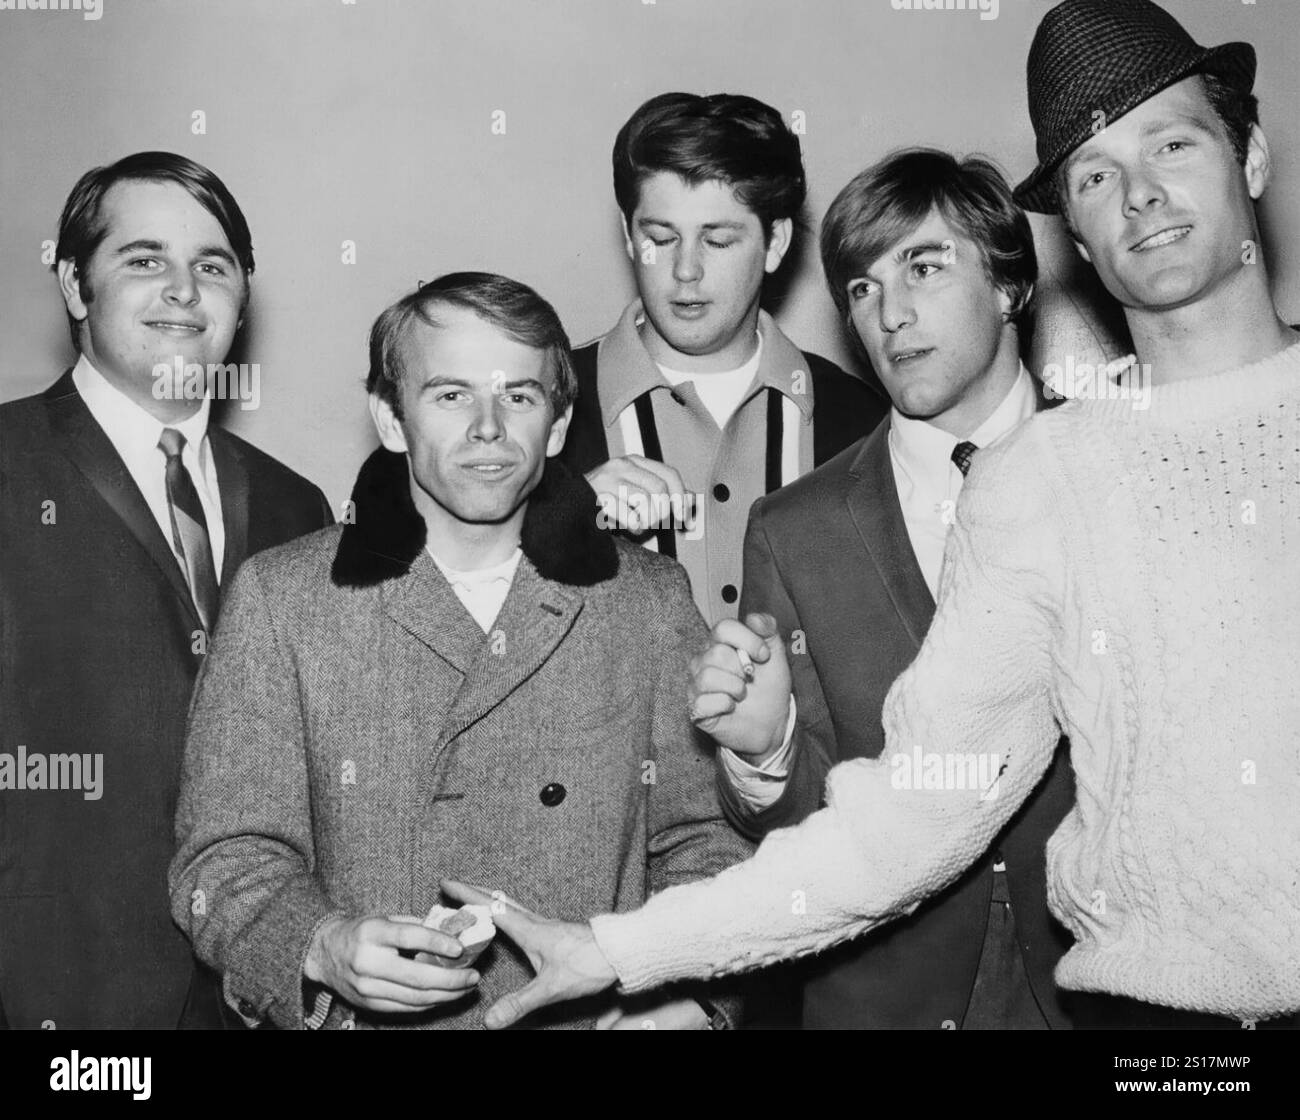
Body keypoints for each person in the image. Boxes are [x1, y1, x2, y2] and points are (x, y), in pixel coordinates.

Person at [443, 0, 1300, 1032]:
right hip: (1159, 1033)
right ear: (1069, 224)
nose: (1141, 195)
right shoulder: (1047, 481)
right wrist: (618, 947)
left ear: (1248, 155)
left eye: (1170, 141)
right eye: (1094, 175)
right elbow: (910, 811)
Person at [169, 272, 752, 1030]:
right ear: (389, 416)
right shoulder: (285, 600)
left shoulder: (644, 600)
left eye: (519, 395)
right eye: (450, 394)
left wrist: (692, 999)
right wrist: (320, 945)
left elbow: (709, 840)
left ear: (557, 421)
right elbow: (224, 859)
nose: (488, 426)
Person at [713, 149, 1075, 1030]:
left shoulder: (1121, 471)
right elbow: (810, 832)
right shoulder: (795, 529)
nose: (891, 314)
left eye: (923, 266)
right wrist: (766, 757)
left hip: (1103, 1002)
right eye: (864, 289)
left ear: (1009, 287)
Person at [0, 151, 333, 1029]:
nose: (185, 290)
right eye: (144, 259)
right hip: (50, 993)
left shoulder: (301, 505)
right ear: (75, 285)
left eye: (213, 267)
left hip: (253, 998)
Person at [560, 92, 887, 626]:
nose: (686, 270)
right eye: (660, 238)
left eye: (717, 241)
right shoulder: (538, 409)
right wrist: (557, 531)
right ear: (628, 236)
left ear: (775, 241)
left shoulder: (857, 422)